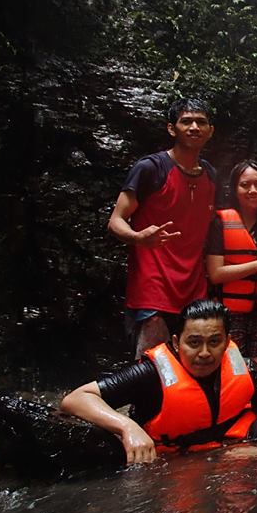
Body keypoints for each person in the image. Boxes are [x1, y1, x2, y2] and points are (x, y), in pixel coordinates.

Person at [59, 299, 257, 465]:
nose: (204, 352)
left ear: (227, 342)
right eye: (193, 342)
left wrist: (241, 454)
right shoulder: (152, 373)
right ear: (175, 342)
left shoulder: (245, 369)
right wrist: (127, 427)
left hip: (234, 444)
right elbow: (75, 399)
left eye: (214, 342)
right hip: (171, 454)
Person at [108, 97, 217, 358]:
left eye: (201, 122)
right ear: (172, 128)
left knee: (194, 368)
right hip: (152, 288)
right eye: (186, 121)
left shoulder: (211, 175)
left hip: (194, 290)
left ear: (210, 131)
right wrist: (137, 237)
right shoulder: (151, 168)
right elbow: (115, 220)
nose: (194, 127)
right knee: (152, 369)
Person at [205, 160, 257, 370]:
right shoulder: (219, 222)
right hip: (229, 311)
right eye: (245, 185)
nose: (253, 190)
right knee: (233, 369)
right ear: (234, 188)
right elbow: (215, 274)